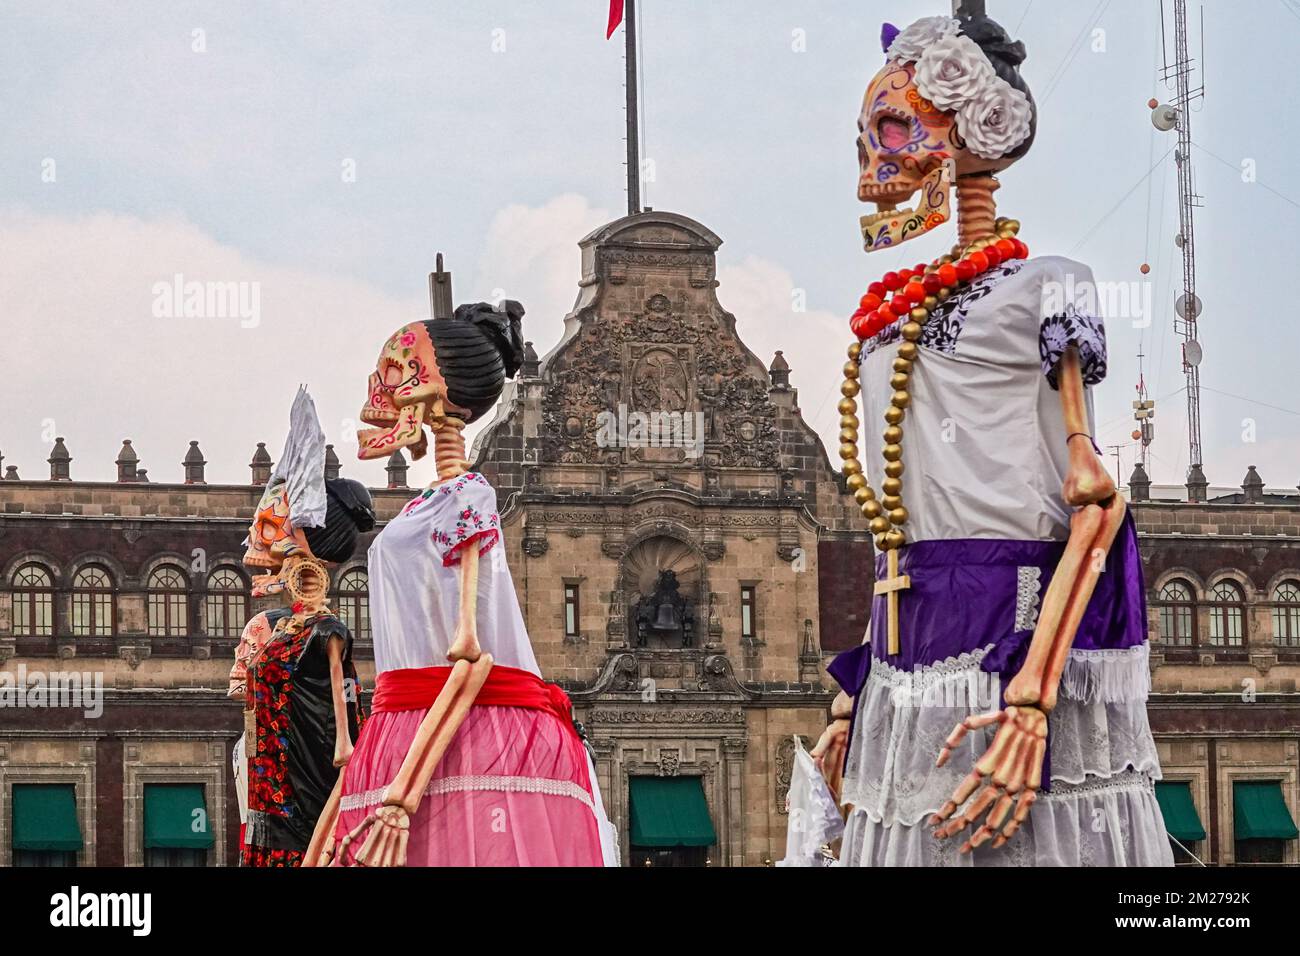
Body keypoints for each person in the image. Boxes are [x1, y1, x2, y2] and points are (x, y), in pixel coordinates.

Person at [809, 12, 1173, 866]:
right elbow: (894, 515)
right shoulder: (888, 315)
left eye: (894, 127)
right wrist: (853, 694)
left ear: (977, 122)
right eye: (868, 131)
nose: (874, 156)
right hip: (908, 650)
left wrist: (1035, 700)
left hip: (1009, 627)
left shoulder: (1054, 285)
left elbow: (1096, 501)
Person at [311, 302, 615, 867]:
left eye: (395, 373)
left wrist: (400, 799)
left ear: (436, 389)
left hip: (455, 727)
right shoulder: (423, 506)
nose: (379, 394)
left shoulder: (467, 497)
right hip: (401, 723)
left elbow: (471, 655)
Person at [235, 387, 374, 866]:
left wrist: (346, 753)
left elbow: (345, 703)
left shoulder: (326, 630)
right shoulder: (279, 628)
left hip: (306, 786)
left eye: (279, 527)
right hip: (268, 788)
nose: (258, 542)